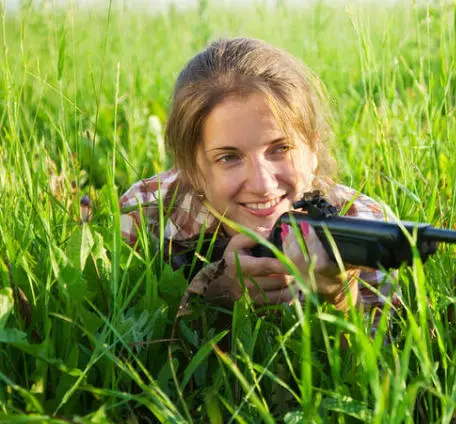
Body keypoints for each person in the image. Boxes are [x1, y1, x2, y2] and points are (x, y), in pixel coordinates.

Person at [119, 37, 397, 332]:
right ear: (193, 170)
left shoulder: (365, 226)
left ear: (313, 151)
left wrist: (340, 299)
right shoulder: (147, 213)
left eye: (281, 148)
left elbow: (378, 366)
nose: (263, 184)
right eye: (229, 157)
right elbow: (130, 348)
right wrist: (218, 297)